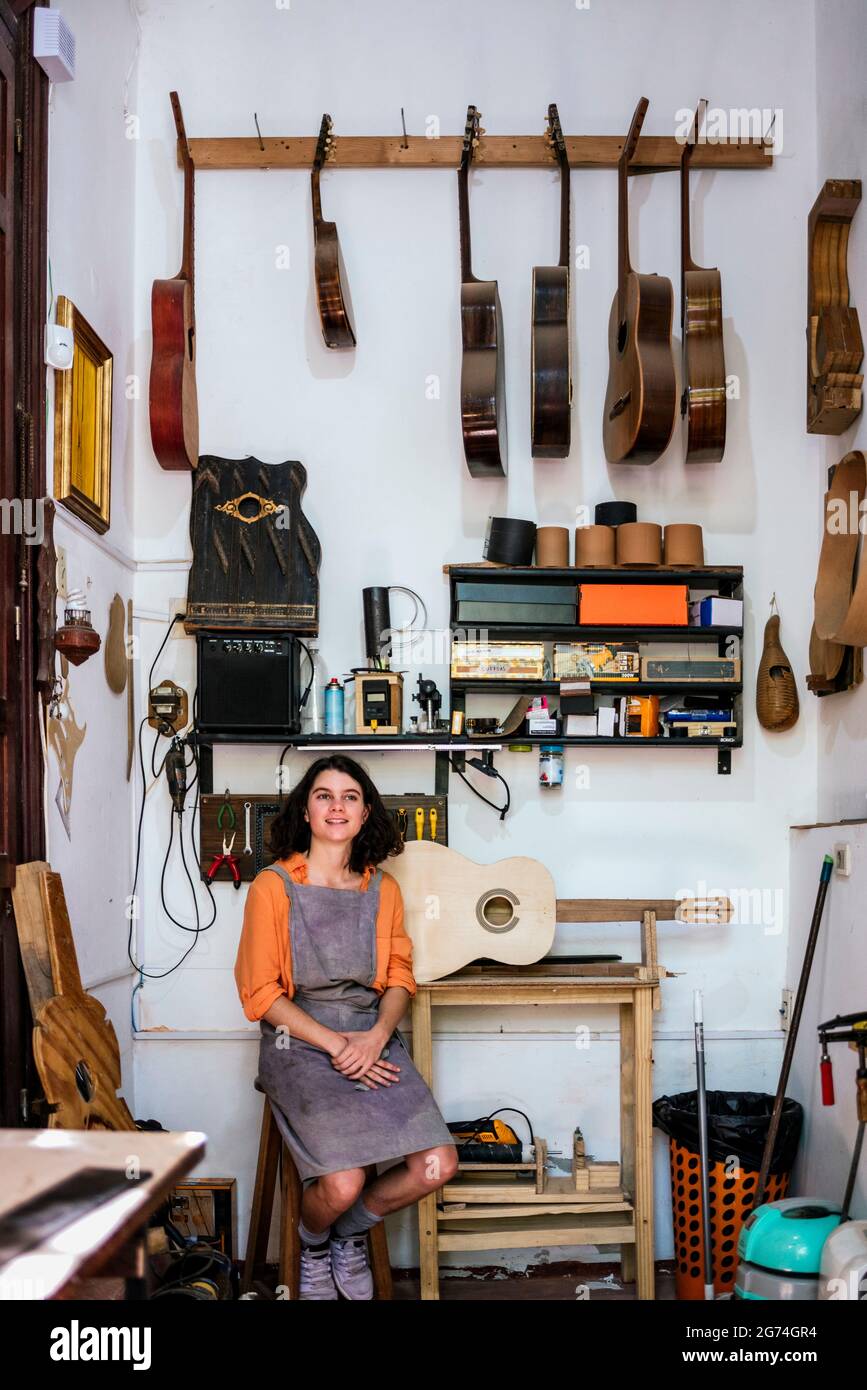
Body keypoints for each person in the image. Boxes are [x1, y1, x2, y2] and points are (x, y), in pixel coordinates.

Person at [234, 754, 458, 1300]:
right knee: (342, 1182)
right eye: (324, 796)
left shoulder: (383, 889)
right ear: (306, 811)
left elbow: (400, 978)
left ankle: (349, 1234)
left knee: (437, 1164)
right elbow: (261, 994)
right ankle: (312, 1242)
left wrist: (376, 1037)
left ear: (364, 814)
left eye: (350, 797)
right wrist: (337, 1045)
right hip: (299, 1041)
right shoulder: (272, 886)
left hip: (371, 1035)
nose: (337, 807)